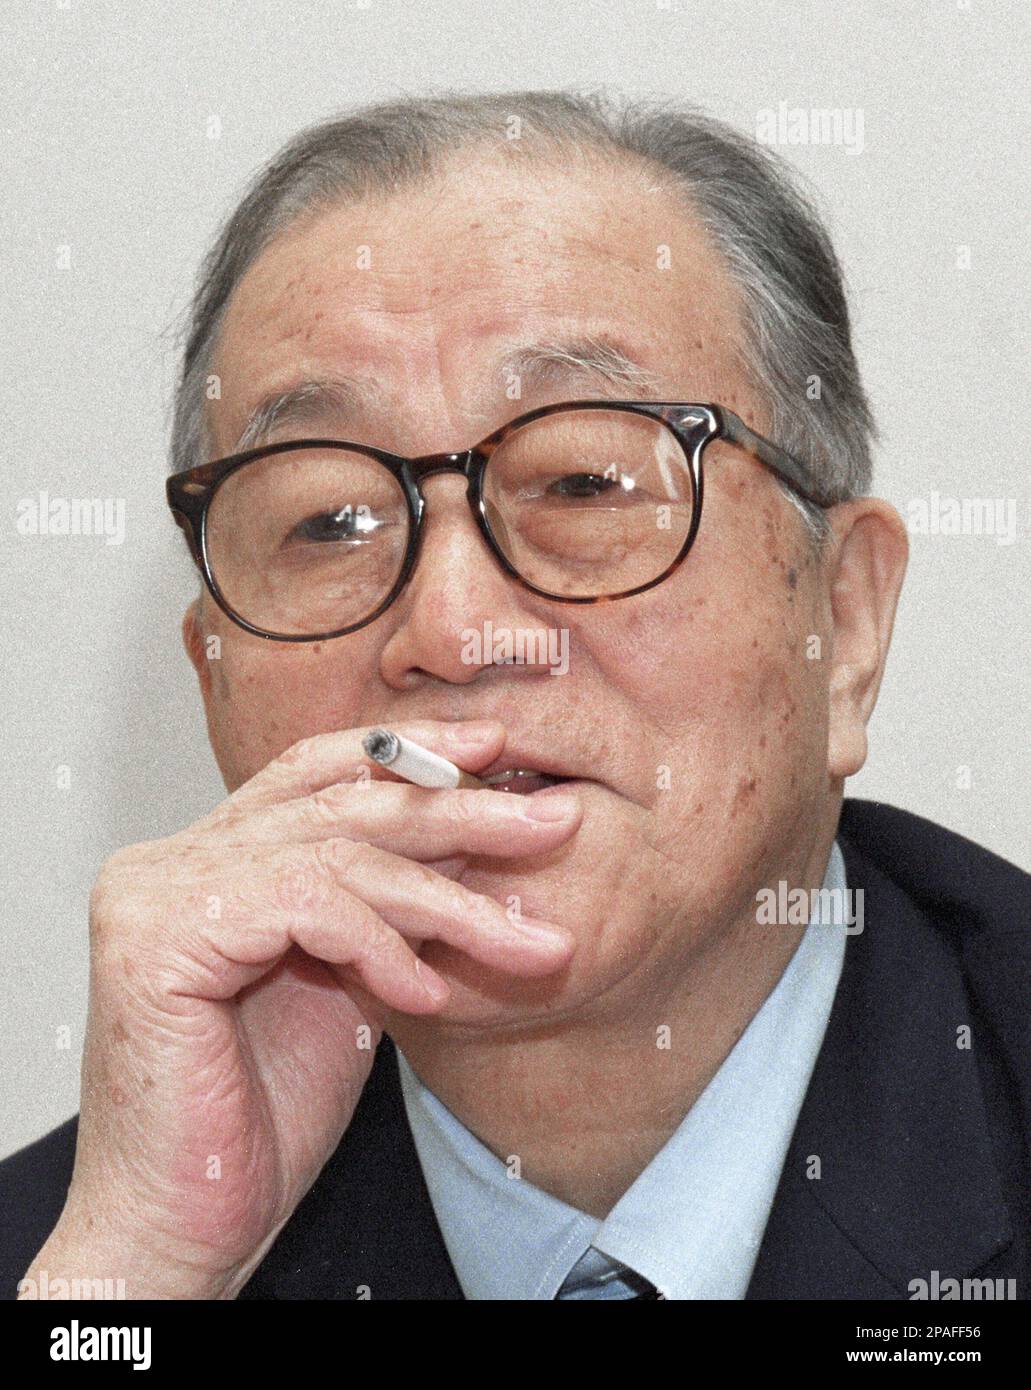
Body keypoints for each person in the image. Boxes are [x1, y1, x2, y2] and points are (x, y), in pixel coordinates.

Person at [5, 89, 1028, 1301]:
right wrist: (148, 1273)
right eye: (329, 519)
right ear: (212, 679)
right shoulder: (85, 1260)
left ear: (844, 623)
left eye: (582, 483)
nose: (450, 630)